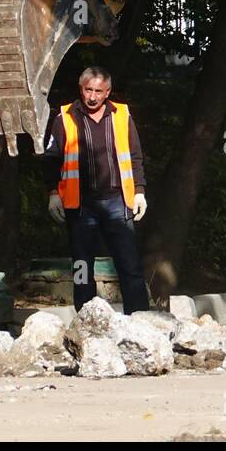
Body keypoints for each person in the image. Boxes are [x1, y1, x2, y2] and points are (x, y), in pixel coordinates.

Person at [43, 66, 150, 314]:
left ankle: (140, 320)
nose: (92, 96)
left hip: (117, 201)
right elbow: (51, 159)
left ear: (108, 92)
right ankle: (85, 321)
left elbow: (134, 156)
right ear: (80, 89)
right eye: (88, 90)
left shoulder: (121, 115)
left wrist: (140, 190)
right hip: (81, 205)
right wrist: (52, 194)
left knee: (130, 265)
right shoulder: (65, 117)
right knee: (82, 267)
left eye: (98, 91)